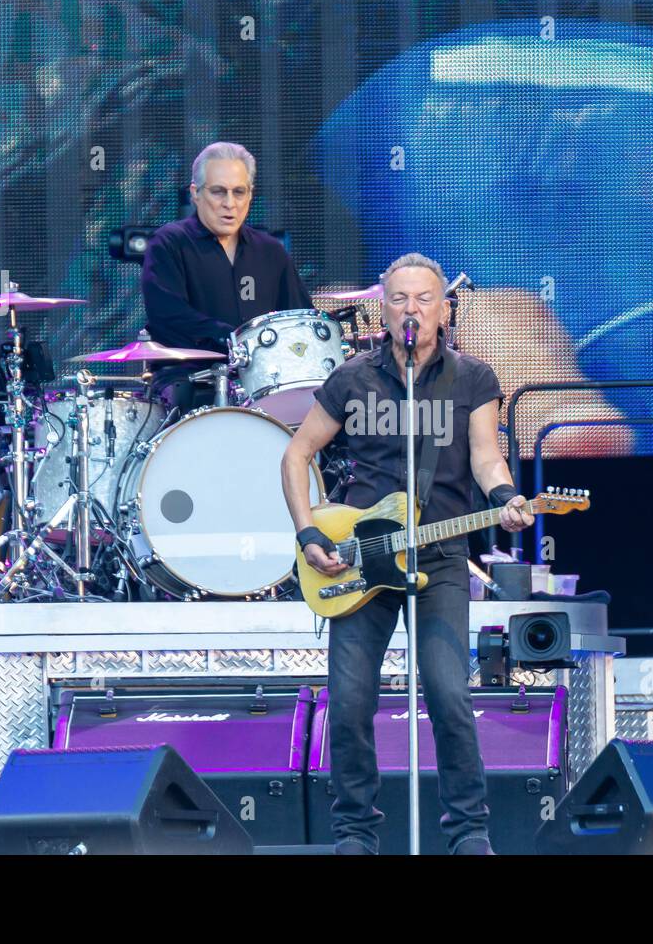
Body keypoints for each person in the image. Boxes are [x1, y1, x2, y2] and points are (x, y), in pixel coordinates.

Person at [280, 252, 533, 855]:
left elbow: (485, 455)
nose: (411, 310)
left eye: (423, 299)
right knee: (349, 704)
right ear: (383, 308)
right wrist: (309, 533)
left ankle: (469, 832)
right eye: (399, 299)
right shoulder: (352, 378)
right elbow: (296, 455)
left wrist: (504, 496)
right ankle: (356, 834)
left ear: (444, 310)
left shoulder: (472, 377)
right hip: (360, 553)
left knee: (448, 693)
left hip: (441, 551)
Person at [140, 141, 313, 410]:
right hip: (191, 379)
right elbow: (168, 317)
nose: (229, 204)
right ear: (195, 193)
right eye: (218, 192)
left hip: (266, 380)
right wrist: (237, 340)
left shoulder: (271, 251)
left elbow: (298, 318)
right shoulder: (169, 243)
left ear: (251, 194)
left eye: (239, 192)